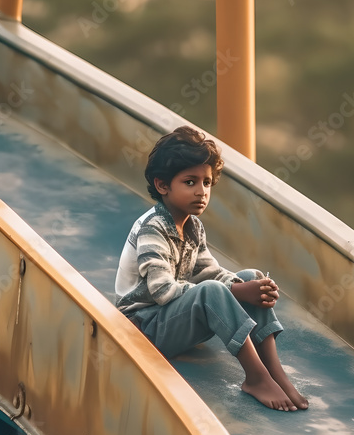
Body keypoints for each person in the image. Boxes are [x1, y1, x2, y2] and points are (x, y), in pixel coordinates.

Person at [114, 126, 308, 411]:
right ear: (162, 185)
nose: (201, 192)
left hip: (172, 320)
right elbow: (163, 291)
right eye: (190, 182)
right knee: (214, 291)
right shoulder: (152, 229)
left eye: (206, 183)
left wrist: (249, 287)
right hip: (143, 327)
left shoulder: (192, 226)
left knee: (250, 276)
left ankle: (274, 370)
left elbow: (210, 272)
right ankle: (256, 378)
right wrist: (237, 292)